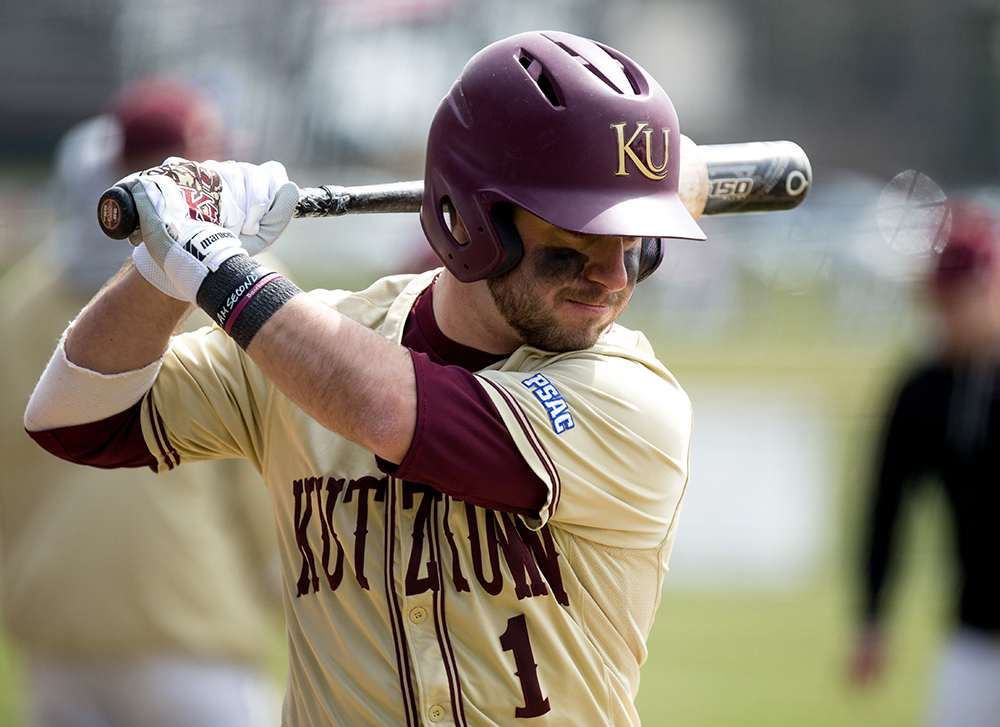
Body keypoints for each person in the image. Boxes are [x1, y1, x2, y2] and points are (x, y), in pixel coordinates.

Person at [23, 31, 704, 725]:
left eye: (638, 246)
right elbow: (74, 417)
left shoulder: (633, 398)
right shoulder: (307, 344)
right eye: (575, 244)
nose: (615, 277)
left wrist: (212, 260)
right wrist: (162, 264)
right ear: (473, 222)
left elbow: (387, 410)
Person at [1, 75, 284, 727]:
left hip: (56, 624)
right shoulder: (242, 293)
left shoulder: (22, 302)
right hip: (188, 618)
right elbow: (275, 458)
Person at [849, 200, 1000, 727]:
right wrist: (873, 617)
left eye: (961, 301)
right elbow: (886, 506)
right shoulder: (924, 392)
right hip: (974, 633)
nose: (947, 318)